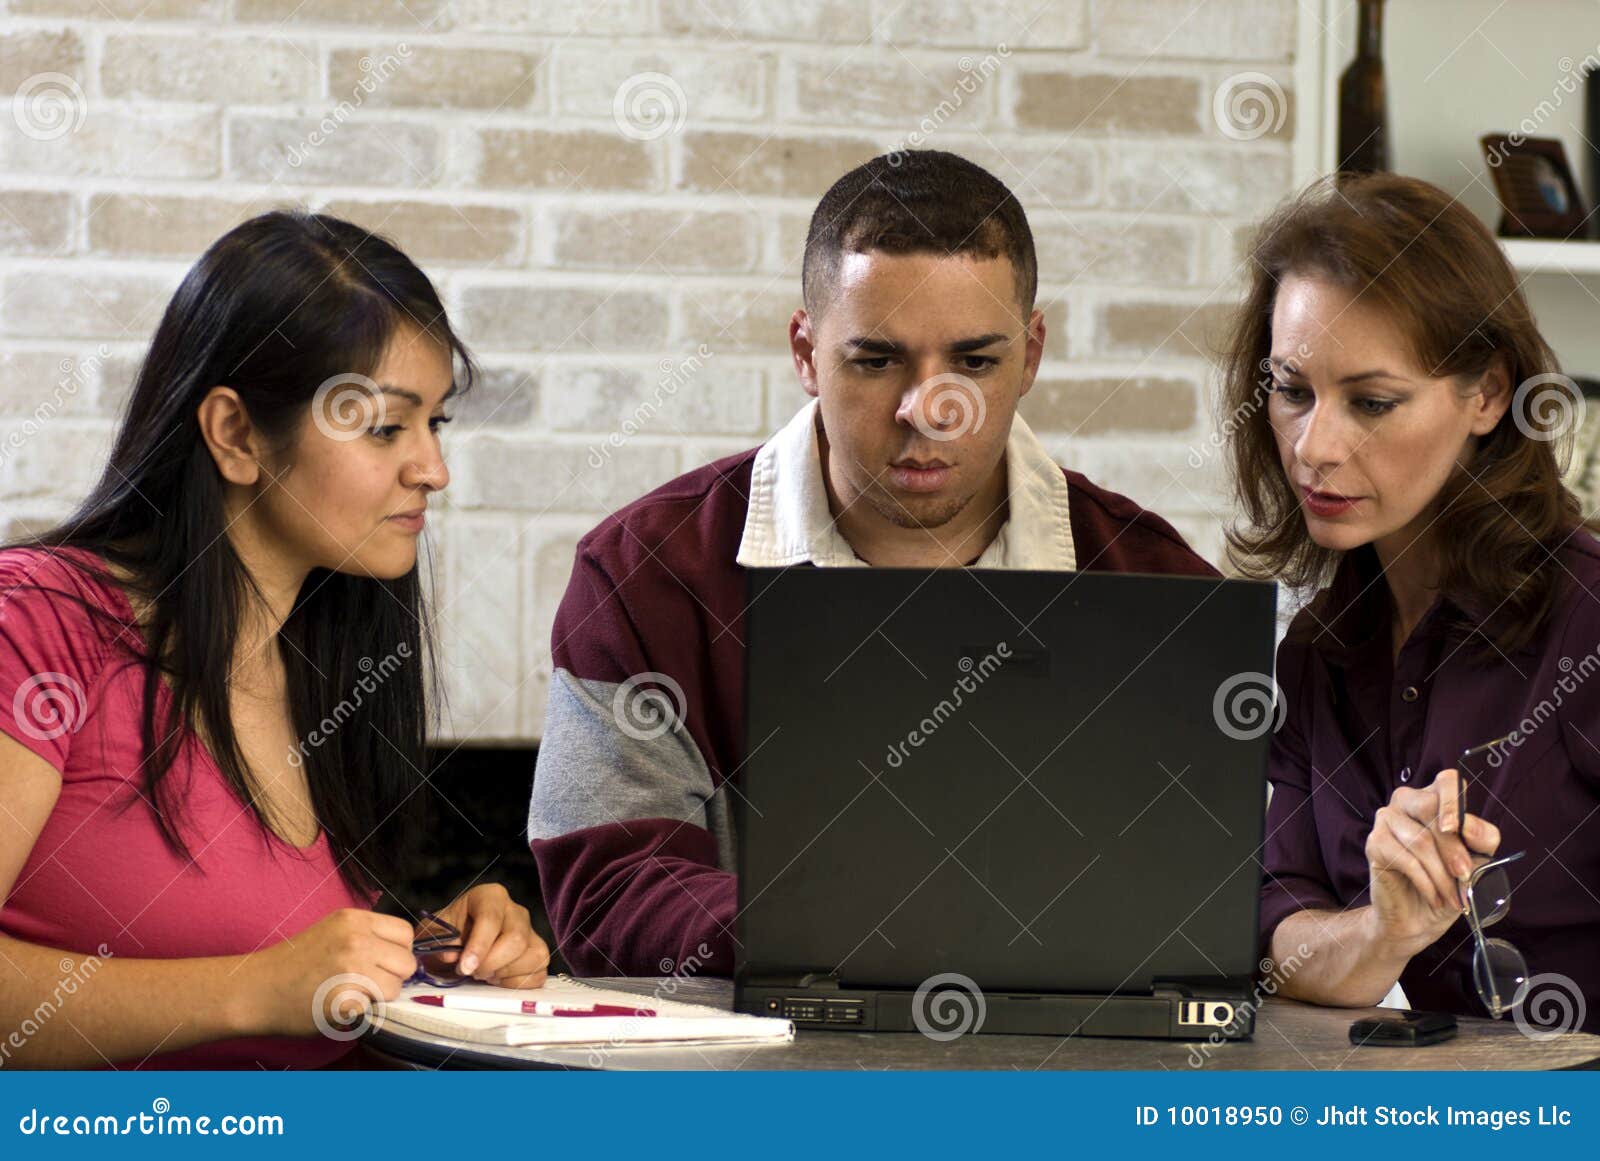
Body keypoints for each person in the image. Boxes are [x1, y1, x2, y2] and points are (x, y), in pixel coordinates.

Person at [528, 150, 1219, 978]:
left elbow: (1207, 896)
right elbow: (609, 894)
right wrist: (886, 924)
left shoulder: (1161, 586)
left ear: (1031, 354)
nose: (929, 411)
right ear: (804, 351)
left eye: (975, 361)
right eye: (878, 360)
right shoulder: (645, 577)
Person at [0, 212, 548, 1068]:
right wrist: (255, 986)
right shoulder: (37, 622)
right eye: (384, 428)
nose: (433, 470)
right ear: (236, 433)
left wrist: (428, 958)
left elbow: (282, 965)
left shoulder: (325, 667)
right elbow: (263, 978)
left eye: (435, 424)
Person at [1225, 172, 1600, 1032]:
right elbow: (1277, 937)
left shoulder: (1587, 621)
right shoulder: (1316, 651)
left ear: (1488, 394)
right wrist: (1382, 930)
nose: (1314, 446)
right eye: (1292, 390)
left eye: (1372, 401)